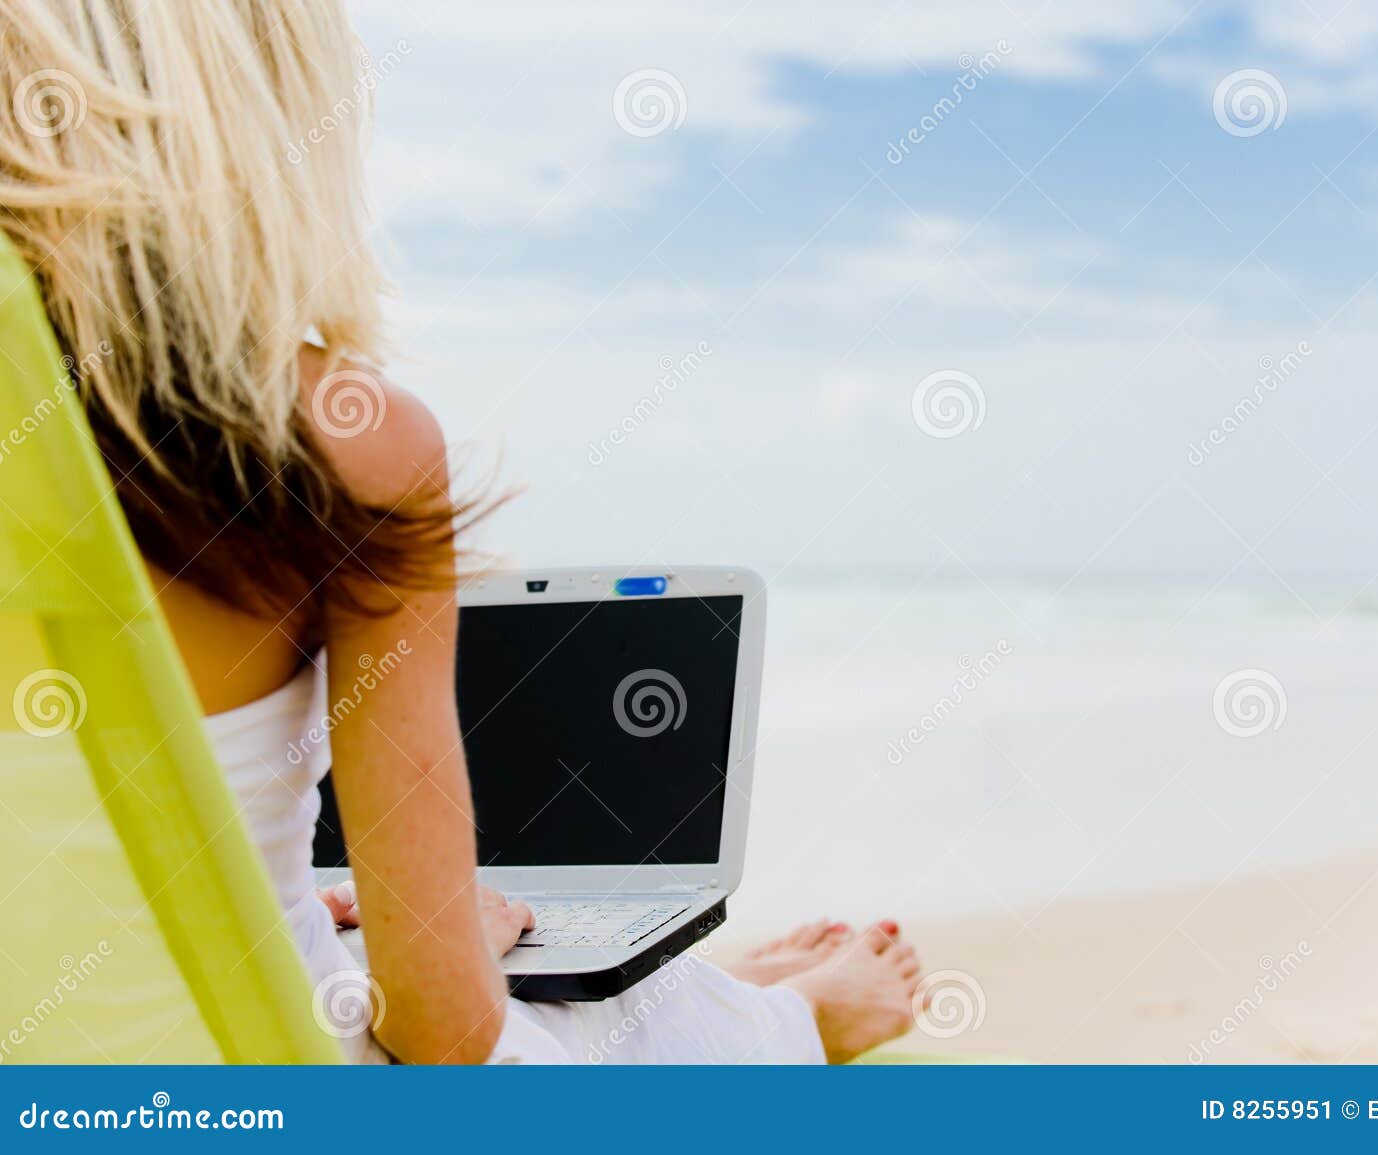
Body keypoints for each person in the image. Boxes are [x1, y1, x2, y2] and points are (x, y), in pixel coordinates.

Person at [0, 0, 922, 1063]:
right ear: (260, 126)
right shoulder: (343, 446)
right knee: (572, 1018)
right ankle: (799, 1022)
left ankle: (709, 1005)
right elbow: (442, 1036)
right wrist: (454, 943)